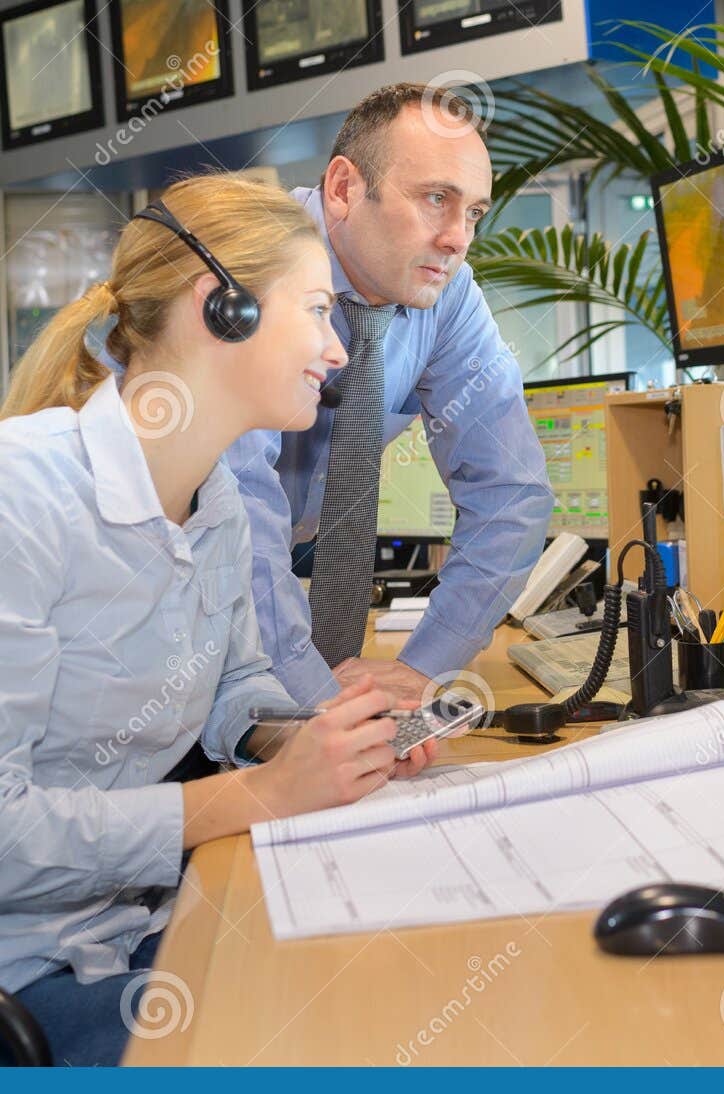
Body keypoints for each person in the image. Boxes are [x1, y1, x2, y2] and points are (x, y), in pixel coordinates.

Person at [0, 173, 436, 1067]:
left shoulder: (213, 497)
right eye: (318, 310)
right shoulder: (4, 496)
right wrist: (256, 794)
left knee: (353, 1015)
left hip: (102, 941)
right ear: (221, 308)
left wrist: (308, 739)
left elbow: (235, 685)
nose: (338, 352)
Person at [225, 82, 552, 708]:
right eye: (436, 199)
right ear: (344, 188)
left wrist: (423, 671)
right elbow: (238, 507)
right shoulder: (250, 264)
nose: (460, 238)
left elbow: (511, 492)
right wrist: (319, 699)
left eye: (475, 212)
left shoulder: (447, 294)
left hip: (270, 605)